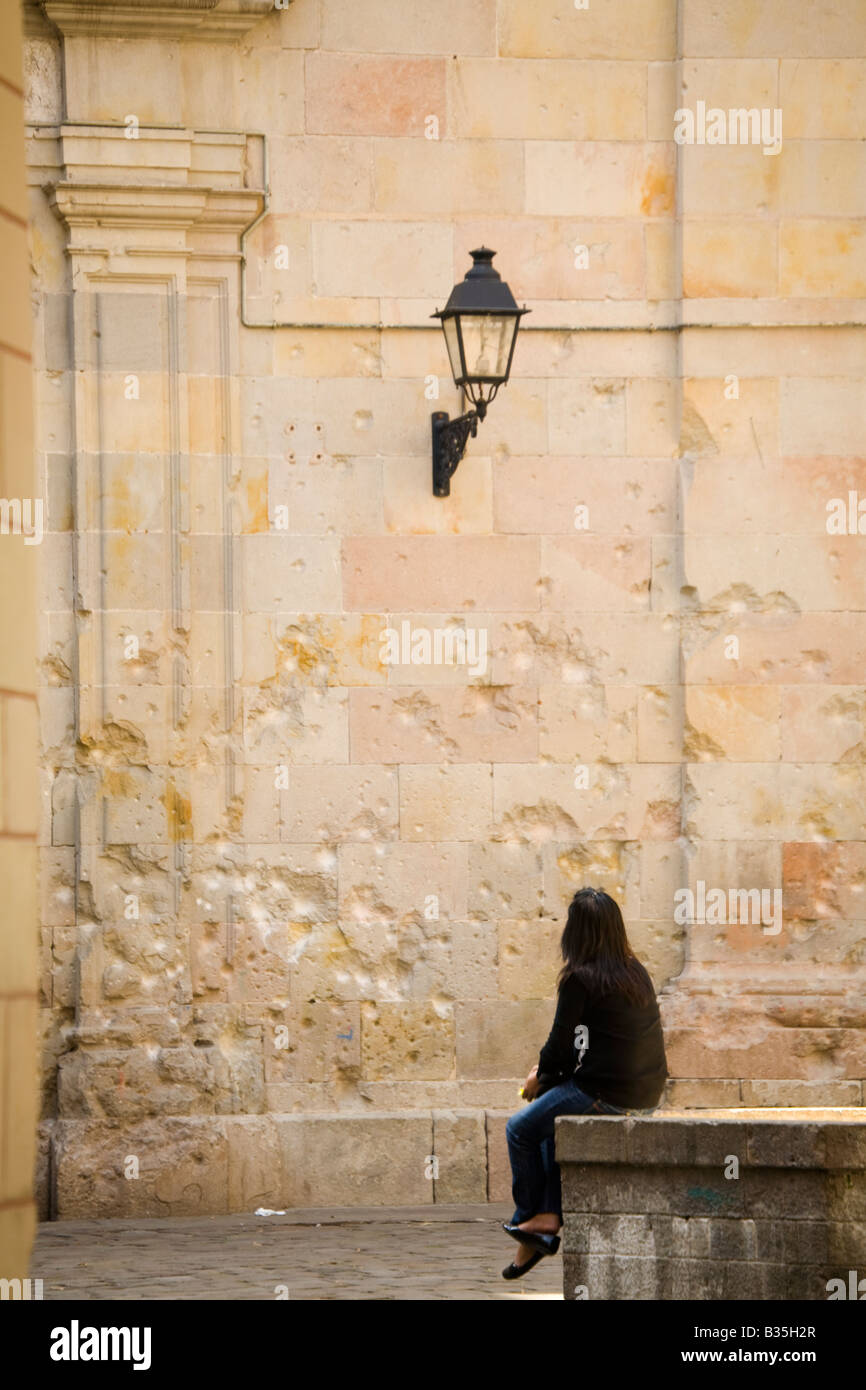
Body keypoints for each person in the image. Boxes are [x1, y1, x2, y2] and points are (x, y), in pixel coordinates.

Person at [501, 886, 668, 1279]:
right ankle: (546, 1218)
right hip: (645, 1092)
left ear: (575, 932)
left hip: (606, 1093)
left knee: (520, 1130)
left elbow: (559, 1048)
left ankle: (529, 1225)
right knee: (550, 1128)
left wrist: (535, 1079)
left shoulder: (580, 978)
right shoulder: (635, 972)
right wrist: (548, 1079)